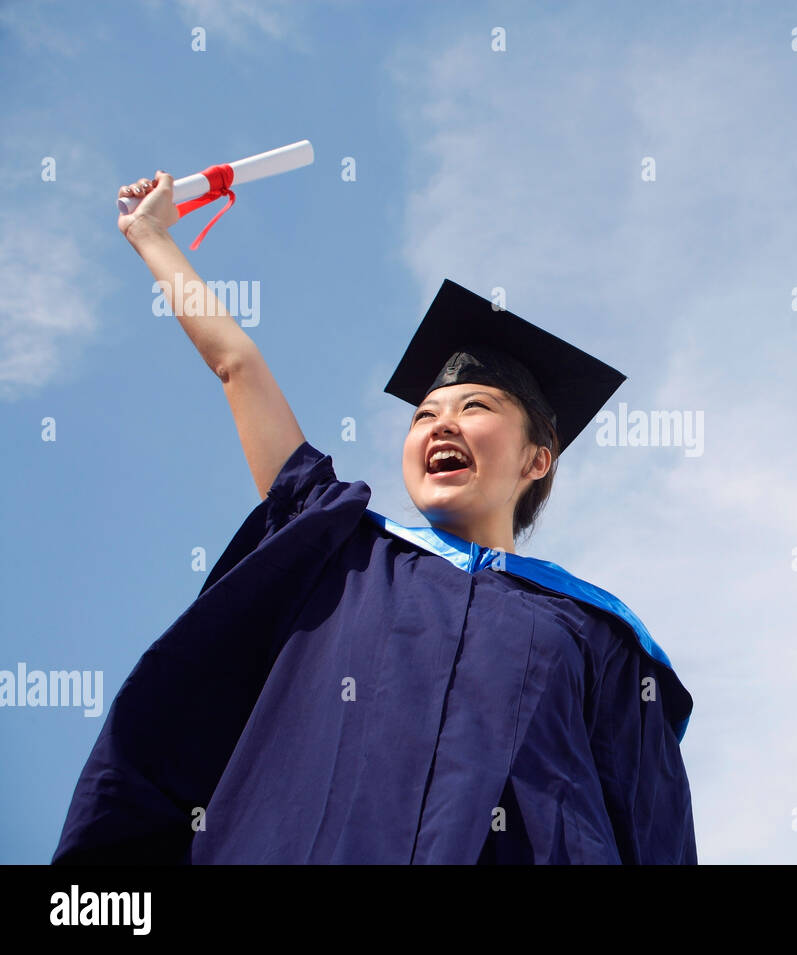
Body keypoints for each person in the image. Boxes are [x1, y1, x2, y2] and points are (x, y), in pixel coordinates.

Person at [51, 172, 696, 864]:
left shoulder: (602, 636)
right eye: (425, 415)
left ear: (538, 459)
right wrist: (152, 238)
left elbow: (651, 829)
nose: (441, 424)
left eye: (474, 408)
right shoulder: (345, 552)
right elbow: (237, 365)